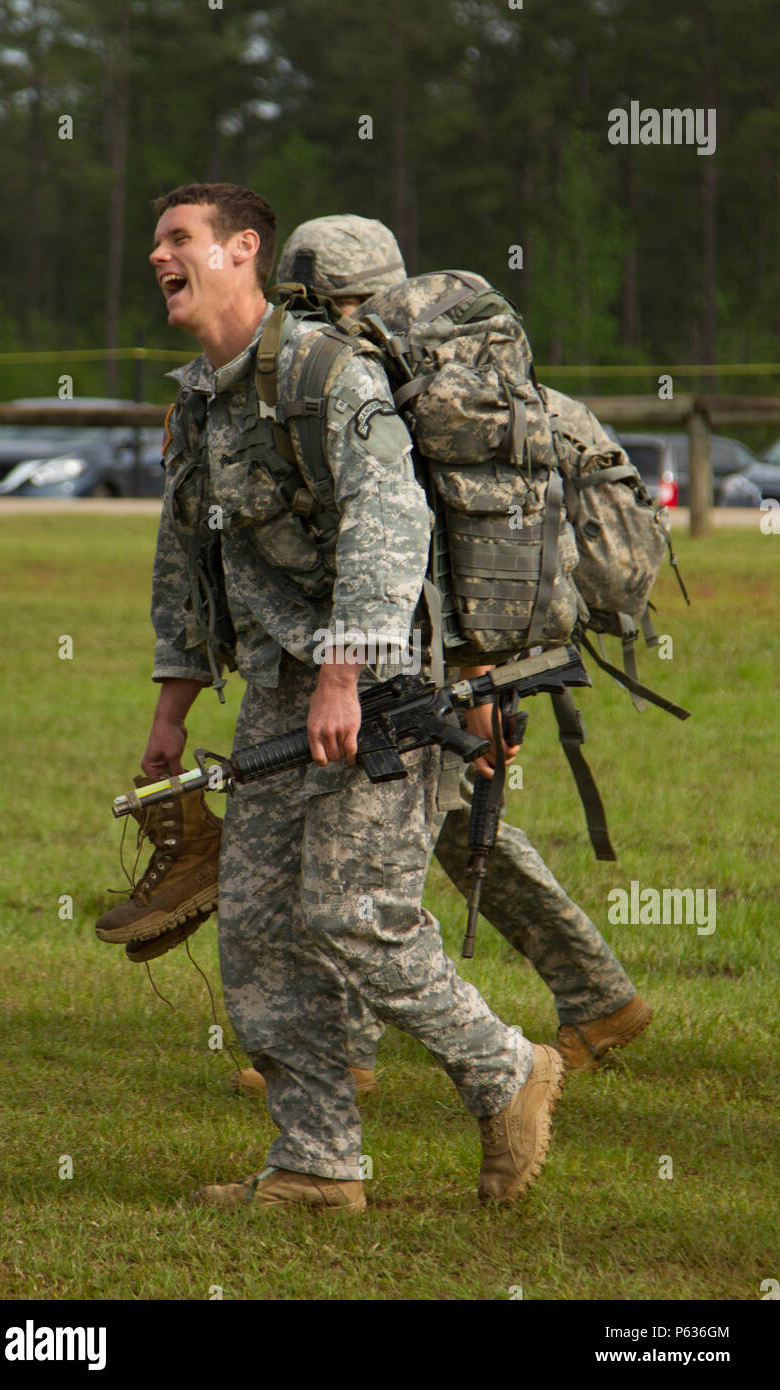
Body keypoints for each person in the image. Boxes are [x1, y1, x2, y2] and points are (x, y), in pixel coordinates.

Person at [100, 182, 564, 1212]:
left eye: (179, 239)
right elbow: (187, 558)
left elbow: (389, 522)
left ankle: (507, 1068)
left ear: (242, 251)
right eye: (155, 241)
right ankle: (316, 1162)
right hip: (278, 684)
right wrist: (173, 705)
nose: (158, 257)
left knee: (356, 913)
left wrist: (348, 674)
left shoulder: (320, 369)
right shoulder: (200, 395)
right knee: (261, 927)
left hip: (389, 679)